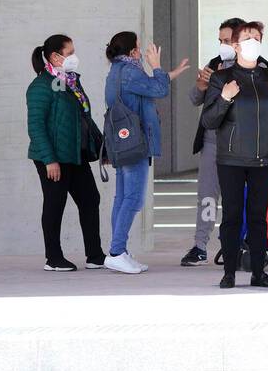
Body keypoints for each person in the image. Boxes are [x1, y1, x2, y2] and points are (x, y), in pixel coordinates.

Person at [200, 21, 268, 289]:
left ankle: (258, 273)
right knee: (231, 216)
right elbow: (209, 121)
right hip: (231, 159)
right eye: (248, 37)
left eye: (257, 37)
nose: (253, 41)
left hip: (263, 159)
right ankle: (228, 272)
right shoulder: (221, 79)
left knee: (259, 217)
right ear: (236, 45)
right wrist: (225, 98)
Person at [104, 31, 189, 274]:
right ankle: (117, 252)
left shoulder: (118, 70)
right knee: (133, 199)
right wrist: (158, 66)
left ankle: (119, 250)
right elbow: (159, 90)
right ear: (132, 51)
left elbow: (150, 88)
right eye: (139, 48)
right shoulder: (131, 71)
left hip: (122, 143)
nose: (142, 51)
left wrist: (170, 73)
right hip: (135, 144)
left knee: (122, 198)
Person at [26, 34, 107, 271]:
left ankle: (94, 255)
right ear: (55, 56)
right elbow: (36, 127)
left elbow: (83, 117)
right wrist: (50, 160)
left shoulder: (70, 81)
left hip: (75, 153)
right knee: (55, 203)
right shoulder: (40, 86)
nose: (74, 57)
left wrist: (102, 147)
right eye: (69, 53)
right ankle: (53, 258)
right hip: (52, 157)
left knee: (90, 200)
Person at [181, 17, 248, 267]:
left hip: (240, 144)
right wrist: (202, 84)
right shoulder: (213, 65)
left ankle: (240, 242)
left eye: (227, 40)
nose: (223, 45)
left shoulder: (255, 66)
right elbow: (194, 99)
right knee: (207, 196)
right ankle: (200, 245)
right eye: (220, 40)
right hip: (211, 141)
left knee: (239, 197)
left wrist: (222, 81)